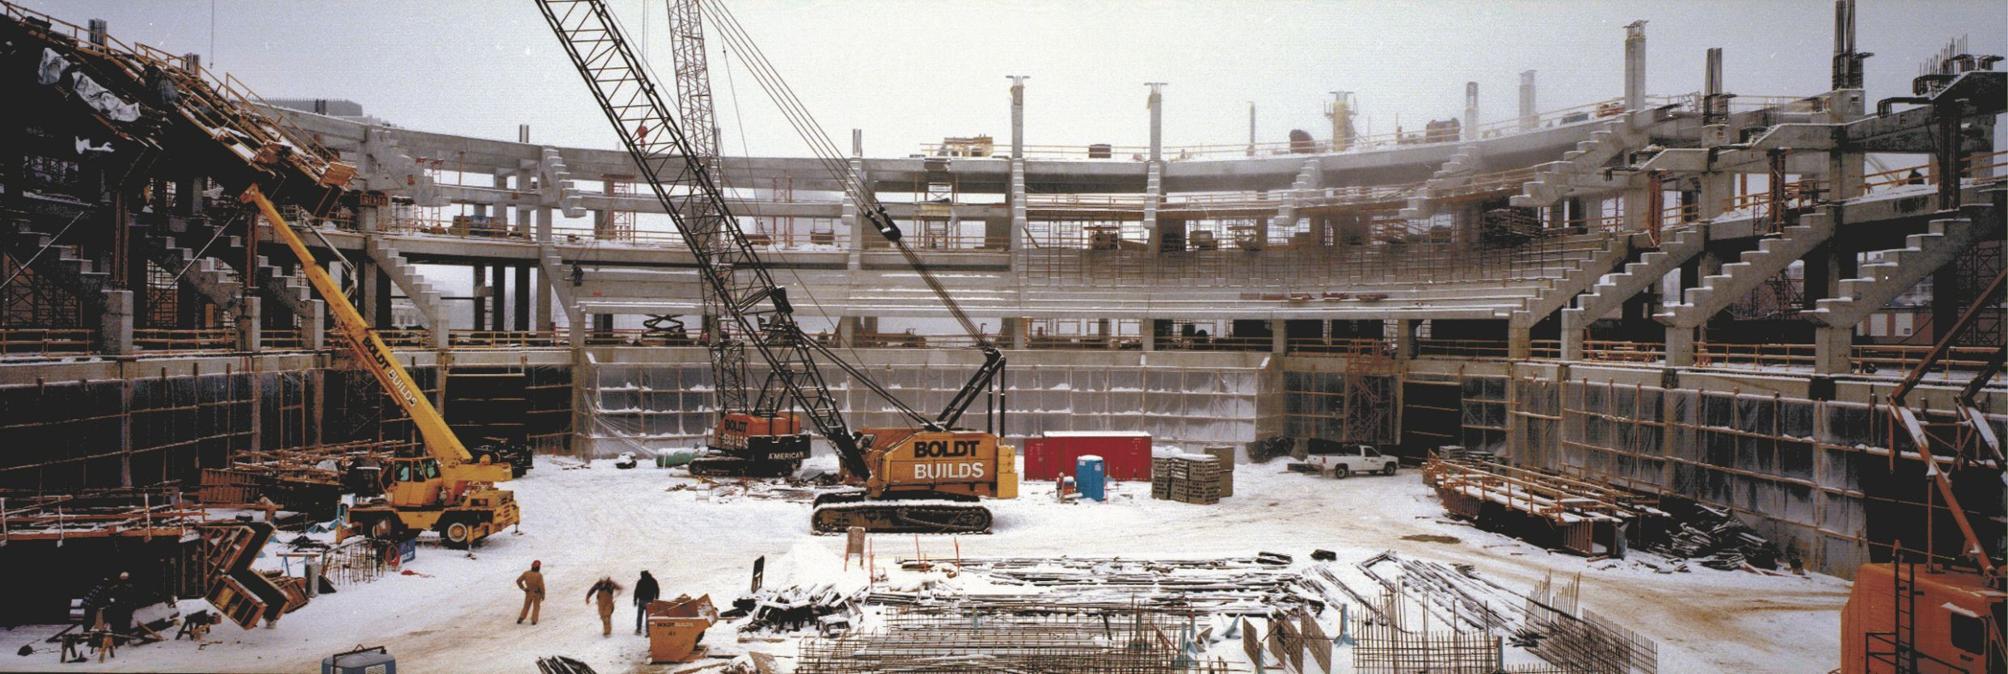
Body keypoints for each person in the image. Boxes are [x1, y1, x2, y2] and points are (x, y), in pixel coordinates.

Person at [516, 561, 545, 625]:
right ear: (538, 567)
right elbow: (541, 586)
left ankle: (521, 618)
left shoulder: (526, 573)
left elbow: (518, 581)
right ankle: (534, 620)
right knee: (536, 607)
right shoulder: (539, 575)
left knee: (526, 606)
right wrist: (543, 594)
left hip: (528, 592)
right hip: (537, 593)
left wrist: (523, 588)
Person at [632, 571, 660, 635]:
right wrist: (656, 598)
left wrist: (635, 600)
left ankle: (638, 629)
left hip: (641, 601)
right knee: (648, 616)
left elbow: (636, 591)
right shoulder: (653, 581)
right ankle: (648, 631)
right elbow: (657, 590)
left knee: (639, 616)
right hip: (650, 601)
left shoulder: (640, 581)